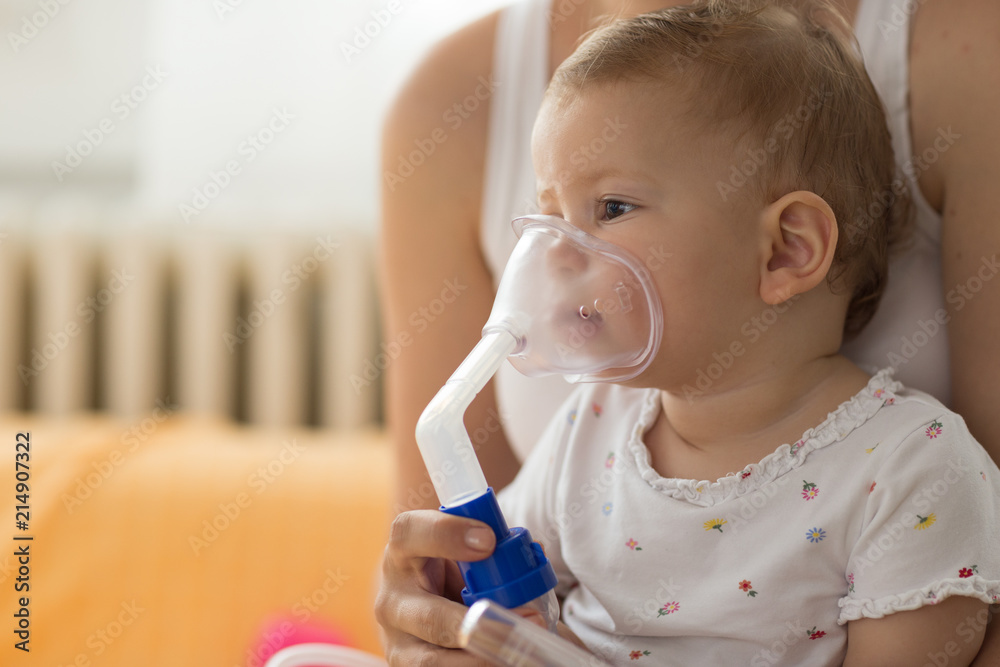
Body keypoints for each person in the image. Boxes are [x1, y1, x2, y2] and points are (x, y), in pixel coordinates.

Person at [376, 0, 1000, 663]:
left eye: (611, 207)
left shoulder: (911, 472)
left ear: (786, 249)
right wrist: (454, 604)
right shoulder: (589, 429)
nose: (555, 252)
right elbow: (478, 602)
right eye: (549, 213)